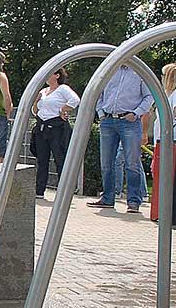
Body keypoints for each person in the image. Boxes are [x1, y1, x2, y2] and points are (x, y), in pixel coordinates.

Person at [89, 66, 154, 213]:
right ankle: (107, 198)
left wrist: (136, 113)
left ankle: (133, 201)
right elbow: (98, 93)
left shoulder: (140, 72)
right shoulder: (110, 70)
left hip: (129, 121)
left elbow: (149, 97)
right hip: (108, 120)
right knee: (106, 162)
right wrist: (101, 113)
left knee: (132, 163)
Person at [31, 68, 80, 199]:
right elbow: (35, 111)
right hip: (42, 126)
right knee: (42, 160)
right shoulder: (43, 91)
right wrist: (36, 101)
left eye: (49, 74)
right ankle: (39, 190)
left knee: (60, 159)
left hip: (57, 127)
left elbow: (75, 100)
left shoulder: (63, 88)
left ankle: (64, 190)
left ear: (57, 75)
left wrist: (63, 109)